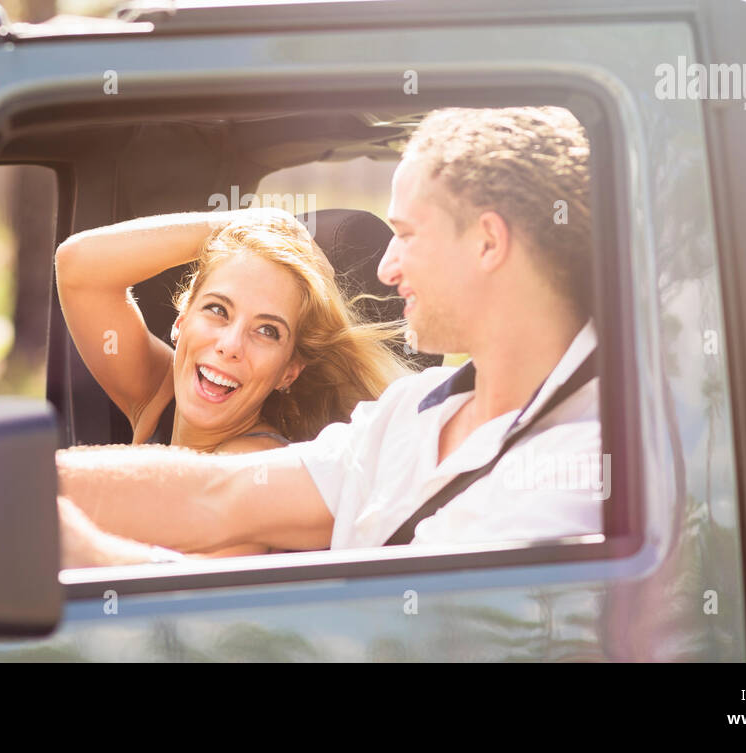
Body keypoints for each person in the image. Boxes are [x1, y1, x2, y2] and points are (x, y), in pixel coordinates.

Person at [56, 105, 600, 565]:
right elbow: (218, 496)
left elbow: (389, 635)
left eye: (407, 235)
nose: (387, 268)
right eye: (218, 311)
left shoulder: (578, 467)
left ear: (486, 243)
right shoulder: (412, 411)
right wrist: (15, 490)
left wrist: (93, 554)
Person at [54, 207, 409, 455]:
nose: (230, 345)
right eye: (217, 310)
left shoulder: (252, 462)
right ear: (181, 320)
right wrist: (244, 223)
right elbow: (77, 266)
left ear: (289, 370)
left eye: (268, 331)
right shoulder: (158, 398)